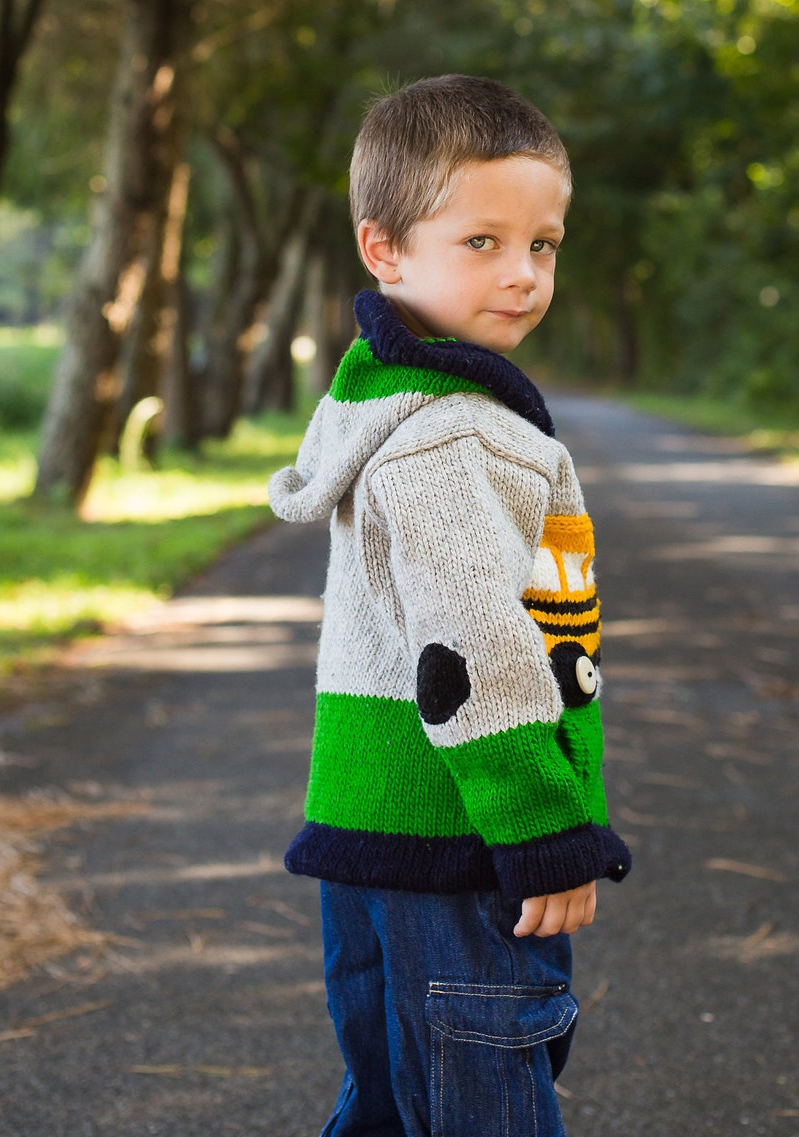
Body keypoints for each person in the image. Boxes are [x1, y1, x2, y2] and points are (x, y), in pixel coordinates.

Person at [268, 73, 631, 1137]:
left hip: (377, 827)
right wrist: (545, 831)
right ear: (384, 250)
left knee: (393, 1100)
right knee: (484, 1106)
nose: (522, 273)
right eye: (483, 241)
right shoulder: (455, 434)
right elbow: (472, 653)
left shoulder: (388, 404)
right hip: (461, 832)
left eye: (543, 244)